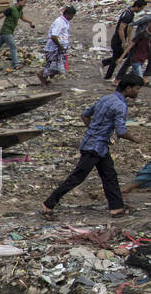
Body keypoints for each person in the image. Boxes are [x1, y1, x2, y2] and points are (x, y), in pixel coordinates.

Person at [42, 78, 142, 218]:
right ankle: (49, 203)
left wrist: (93, 131)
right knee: (77, 177)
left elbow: (85, 115)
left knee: (109, 176)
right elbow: (121, 131)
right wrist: (134, 139)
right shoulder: (120, 105)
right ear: (128, 88)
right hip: (95, 147)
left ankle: (116, 208)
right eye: (136, 88)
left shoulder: (106, 98)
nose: (138, 92)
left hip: (95, 144)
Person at [105, 0, 148, 80]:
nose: (141, 10)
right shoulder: (128, 15)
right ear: (138, 7)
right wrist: (123, 41)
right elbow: (121, 29)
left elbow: (127, 28)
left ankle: (106, 67)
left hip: (118, 38)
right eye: (142, 8)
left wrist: (127, 40)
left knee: (119, 56)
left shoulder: (129, 12)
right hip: (118, 39)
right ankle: (108, 75)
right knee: (118, 57)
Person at [38, 6, 76, 85]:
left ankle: (47, 78)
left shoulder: (65, 22)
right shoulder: (59, 22)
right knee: (52, 66)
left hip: (59, 48)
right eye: (72, 15)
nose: (72, 17)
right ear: (67, 14)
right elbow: (54, 36)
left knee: (58, 67)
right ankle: (42, 77)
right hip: (54, 48)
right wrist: (60, 46)